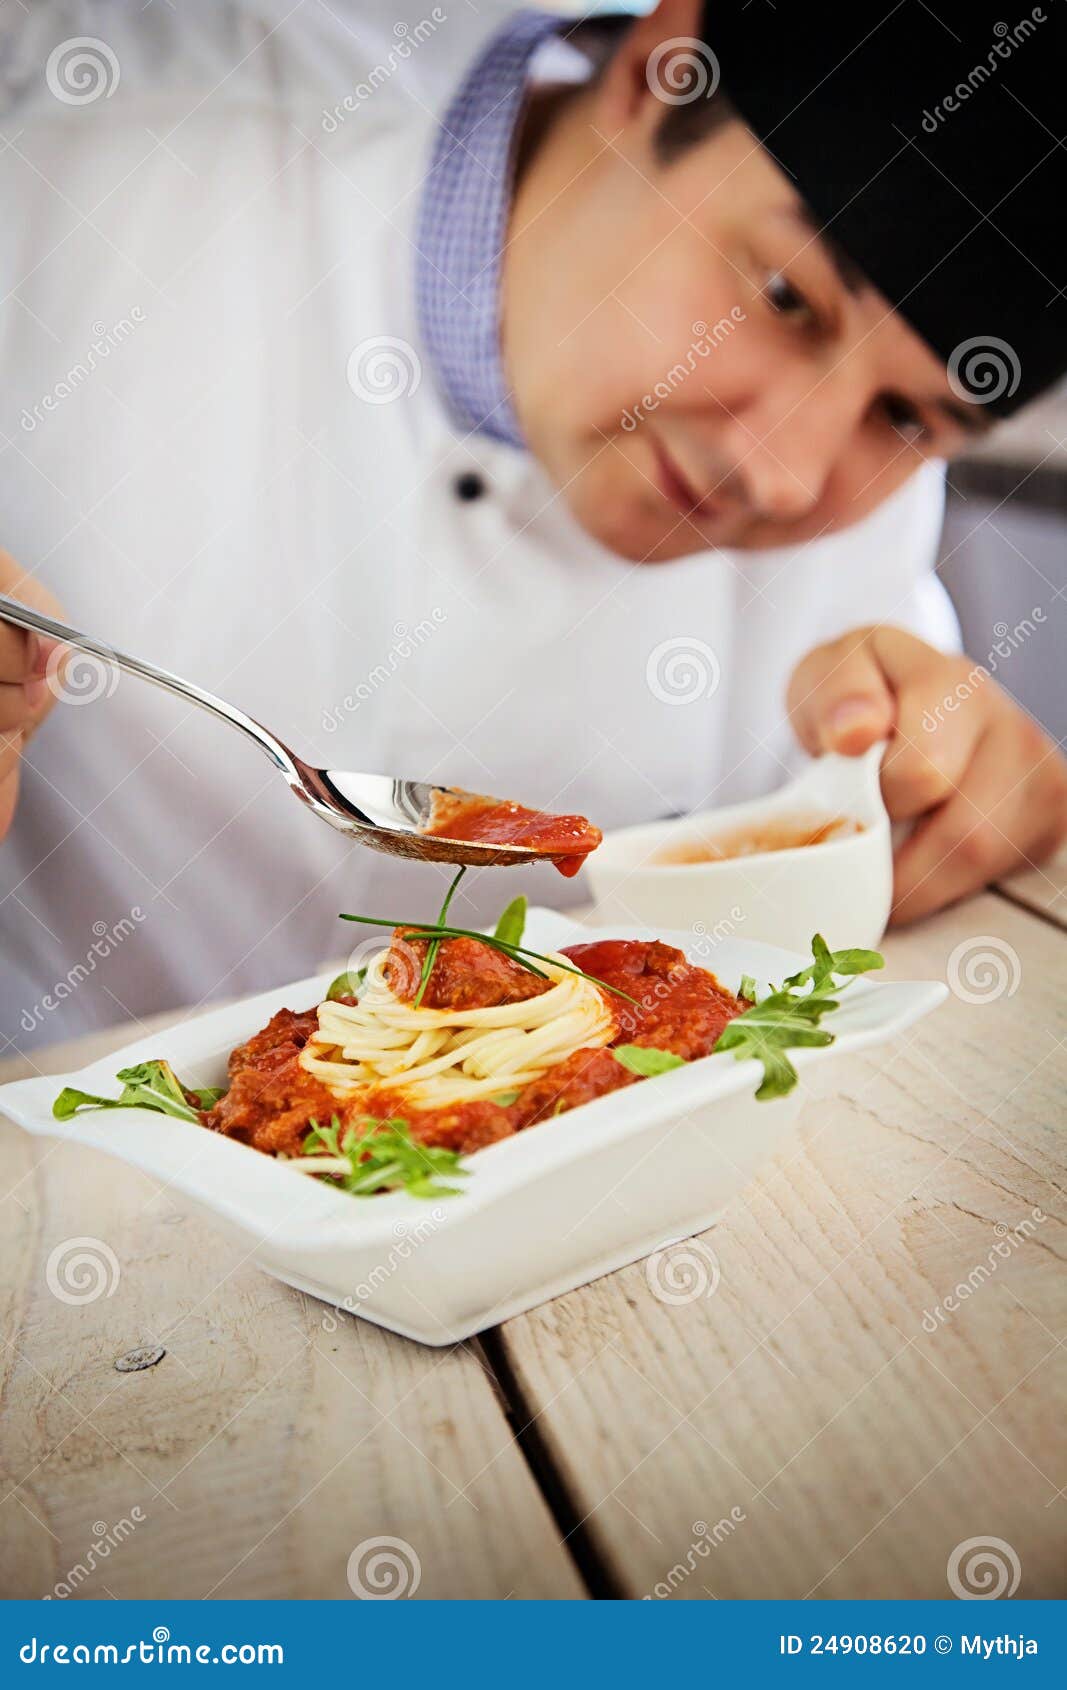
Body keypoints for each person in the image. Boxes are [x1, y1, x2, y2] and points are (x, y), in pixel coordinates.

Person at [2, 0, 1065, 1047]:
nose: (782, 474)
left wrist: (940, 780)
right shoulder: (80, 157)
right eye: (786, 297)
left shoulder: (850, 495)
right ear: (658, 70)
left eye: (905, 418)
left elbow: (860, 804)